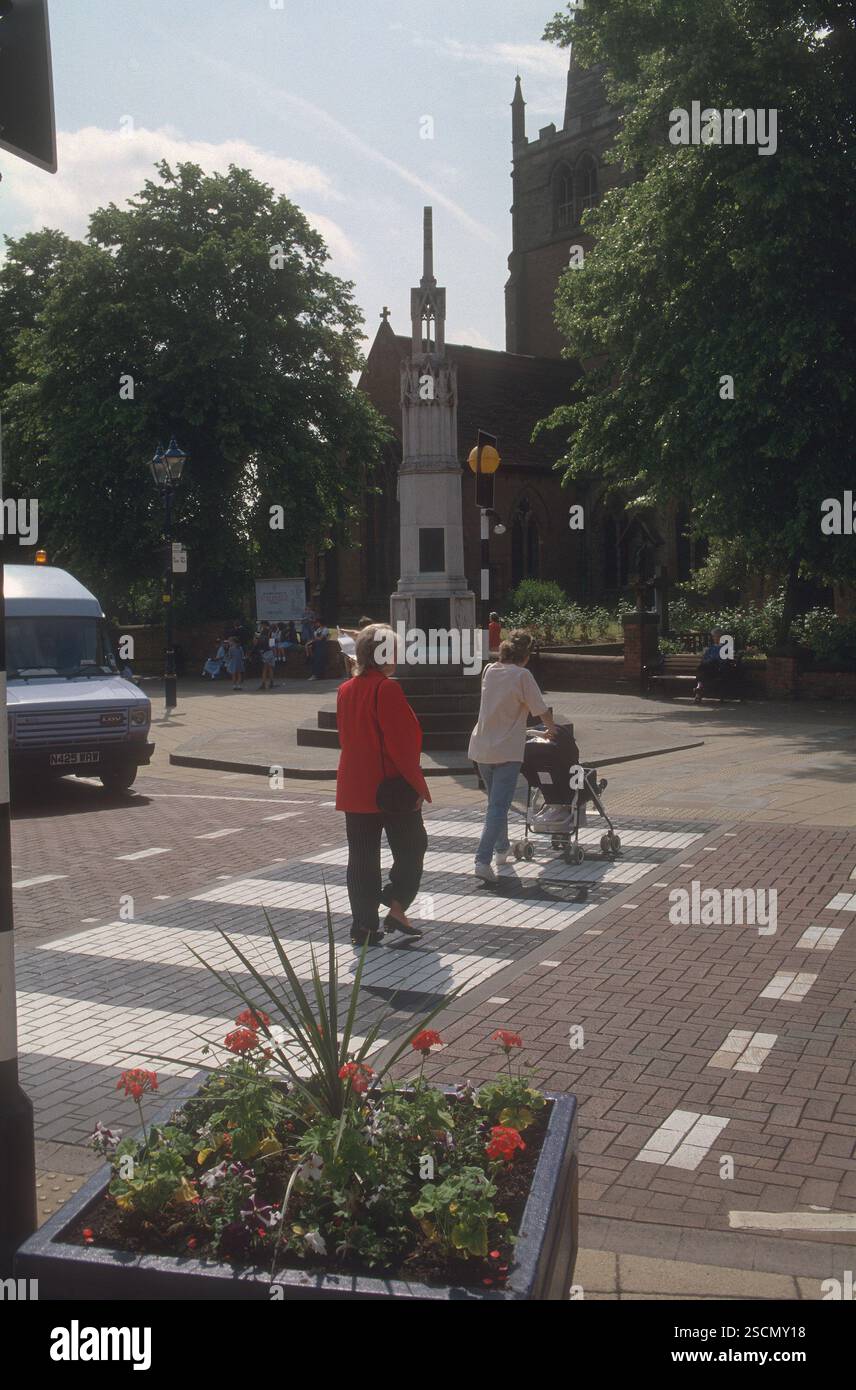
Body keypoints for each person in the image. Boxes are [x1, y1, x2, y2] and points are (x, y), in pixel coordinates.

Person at [336, 623, 431, 946]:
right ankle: (395, 902)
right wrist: (418, 786)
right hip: (389, 786)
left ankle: (363, 927)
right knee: (413, 846)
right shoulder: (387, 688)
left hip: (354, 784)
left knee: (361, 858)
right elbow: (403, 743)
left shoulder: (346, 688)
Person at [468, 629, 558, 883]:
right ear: (526, 655)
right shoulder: (523, 675)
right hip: (507, 750)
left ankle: (501, 849)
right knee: (498, 807)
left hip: (481, 747)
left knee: (496, 805)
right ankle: (482, 861)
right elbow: (540, 708)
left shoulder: (489, 669)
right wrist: (551, 729)